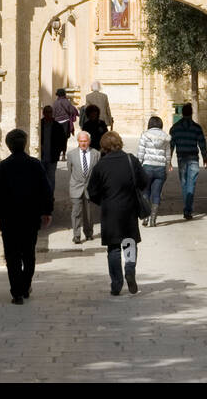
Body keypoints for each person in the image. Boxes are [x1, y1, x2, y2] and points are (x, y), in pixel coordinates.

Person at [0, 129, 54, 304]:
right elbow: (46, 190)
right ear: (24, 144)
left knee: (12, 255)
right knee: (28, 253)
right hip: (30, 218)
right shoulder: (35, 164)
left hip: (9, 219)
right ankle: (25, 285)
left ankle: (16, 292)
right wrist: (47, 211)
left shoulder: (2, 166)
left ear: (8, 146)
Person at [85, 131, 147, 296]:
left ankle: (116, 284)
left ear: (104, 147)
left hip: (110, 211)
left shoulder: (101, 166)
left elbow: (91, 191)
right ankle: (129, 269)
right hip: (129, 209)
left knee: (113, 248)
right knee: (129, 242)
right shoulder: (130, 160)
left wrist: (104, 201)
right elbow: (144, 181)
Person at [169, 102, 207, 219]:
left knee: (184, 183)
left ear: (181, 113)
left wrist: (169, 160)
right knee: (192, 184)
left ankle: (187, 208)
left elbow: (171, 145)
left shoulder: (175, 128)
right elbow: (202, 144)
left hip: (181, 158)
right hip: (193, 158)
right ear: (191, 113)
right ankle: (188, 210)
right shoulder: (197, 128)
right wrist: (205, 158)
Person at [136, 115, 171, 226]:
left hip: (147, 167)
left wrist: (138, 164)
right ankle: (153, 219)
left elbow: (141, 152)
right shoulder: (166, 137)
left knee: (145, 192)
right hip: (160, 167)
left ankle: (146, 217)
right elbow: (168, 154)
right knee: (156, 194)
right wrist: (168, 164)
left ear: (149, 124)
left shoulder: (145, 135)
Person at [66, 130, 100, 243]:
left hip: (89, 188)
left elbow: (97, 172)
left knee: (89, 213)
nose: (83, 143)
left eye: (85, 141)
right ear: (78, 141)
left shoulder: (96, 154)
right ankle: (76, 235)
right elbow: (70, 170)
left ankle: (89, 233)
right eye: (81, 141)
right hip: (76, 187)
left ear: (89, 141)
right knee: (76, 212)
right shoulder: (71, 154)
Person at [39, 104, 64, 191]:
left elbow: (62, 140)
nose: (48, 114)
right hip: (41, 156)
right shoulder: (39, 125)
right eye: (46, 112)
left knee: (51, 178)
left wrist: (58, 151)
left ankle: (50, 197)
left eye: (50, 112)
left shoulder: (57, 126)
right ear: (43, 113)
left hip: (52, 157)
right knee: (41, 178)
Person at [52, 88, 78, 158]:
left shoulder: (55, 103)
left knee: (57, 138)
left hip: (57, 123)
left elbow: (53, 114)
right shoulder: (67, 102)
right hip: (66, 122)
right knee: (64, 139)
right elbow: (72, 111)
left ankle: (58, 153)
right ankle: (63, 154)